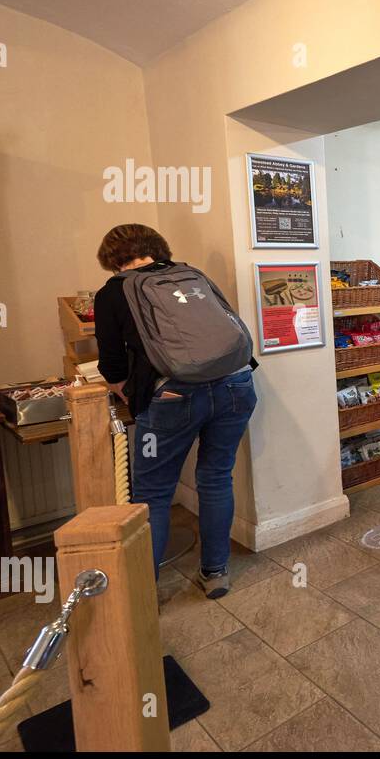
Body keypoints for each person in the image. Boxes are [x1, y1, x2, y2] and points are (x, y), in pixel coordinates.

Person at [94, 224, 258, 598]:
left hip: (171, 400)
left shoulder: (114, 291)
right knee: (216, 478)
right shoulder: (192, 273)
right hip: (237, 385)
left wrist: (124, 390)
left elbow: (113, 364)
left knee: (152, 493)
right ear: (157, 248)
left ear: (114, 259)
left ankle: (143, 595)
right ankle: (215, 573)